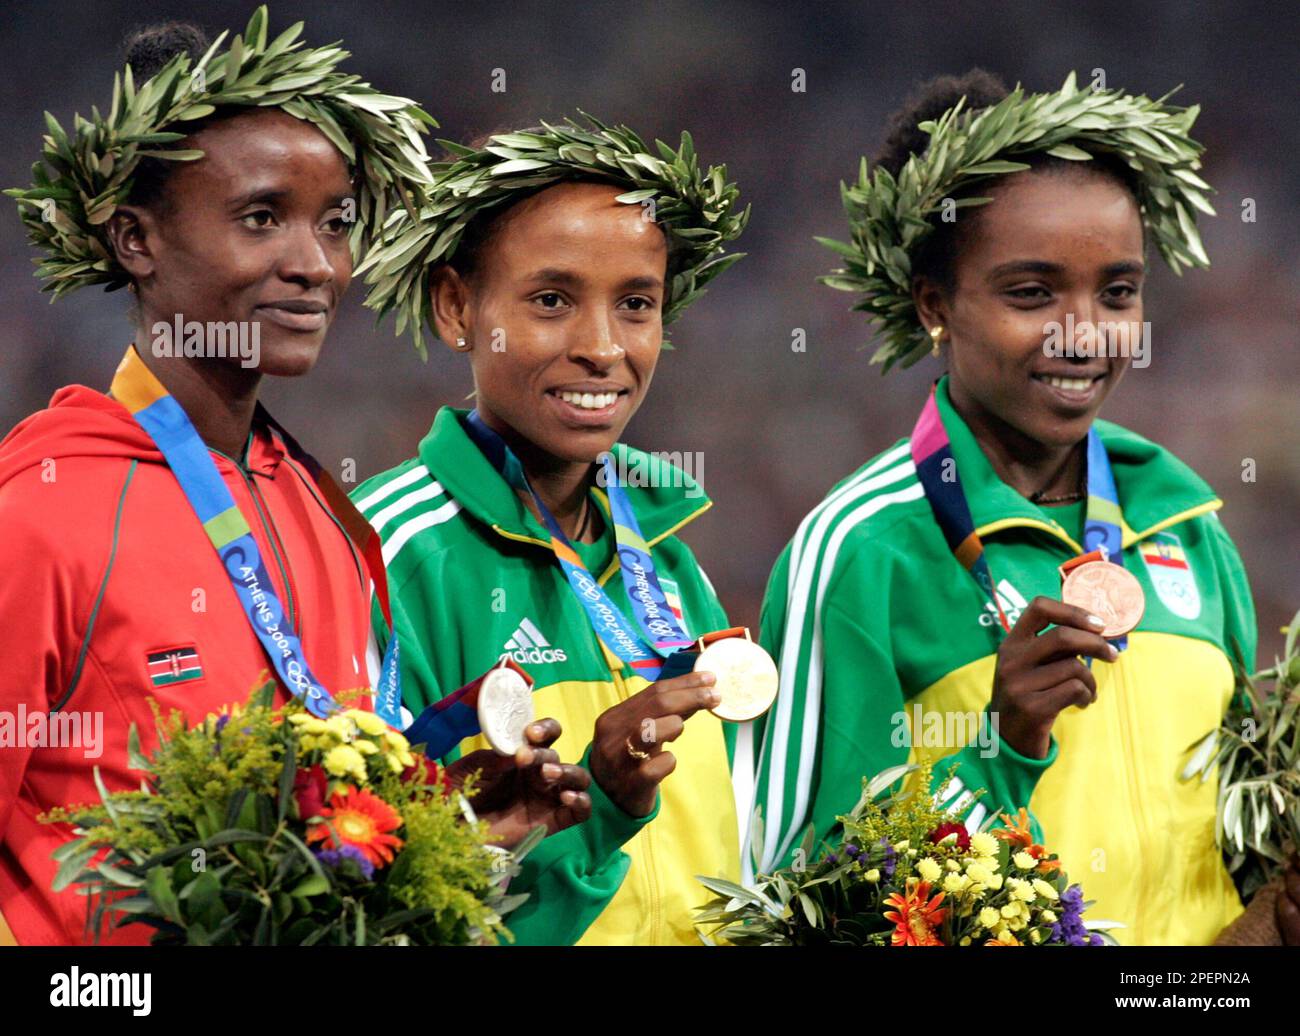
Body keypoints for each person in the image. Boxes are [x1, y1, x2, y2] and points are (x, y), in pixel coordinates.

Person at [0, 11, 590, 947]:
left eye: (336, 223)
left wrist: (457, 825)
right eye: (262, 217)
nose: (316, 265)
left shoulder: (320, 509)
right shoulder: (41, 510)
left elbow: (316, 852)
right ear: (135, 240)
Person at [749, 70, 1295, 945]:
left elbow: (1242, 845)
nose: (1084, 331)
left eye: (1117, 292)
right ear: (936, 306)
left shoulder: (1186, 526)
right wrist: (1000, 748)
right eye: (1032, 293)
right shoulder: (859, 552)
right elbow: (796, 901)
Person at [353, 118, 750, 944]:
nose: (603, 347)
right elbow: (374, 902)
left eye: (635, 305)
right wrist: (596, 806)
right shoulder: (387, 556)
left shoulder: (670, 562)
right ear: (458, 306)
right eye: (551, 301)